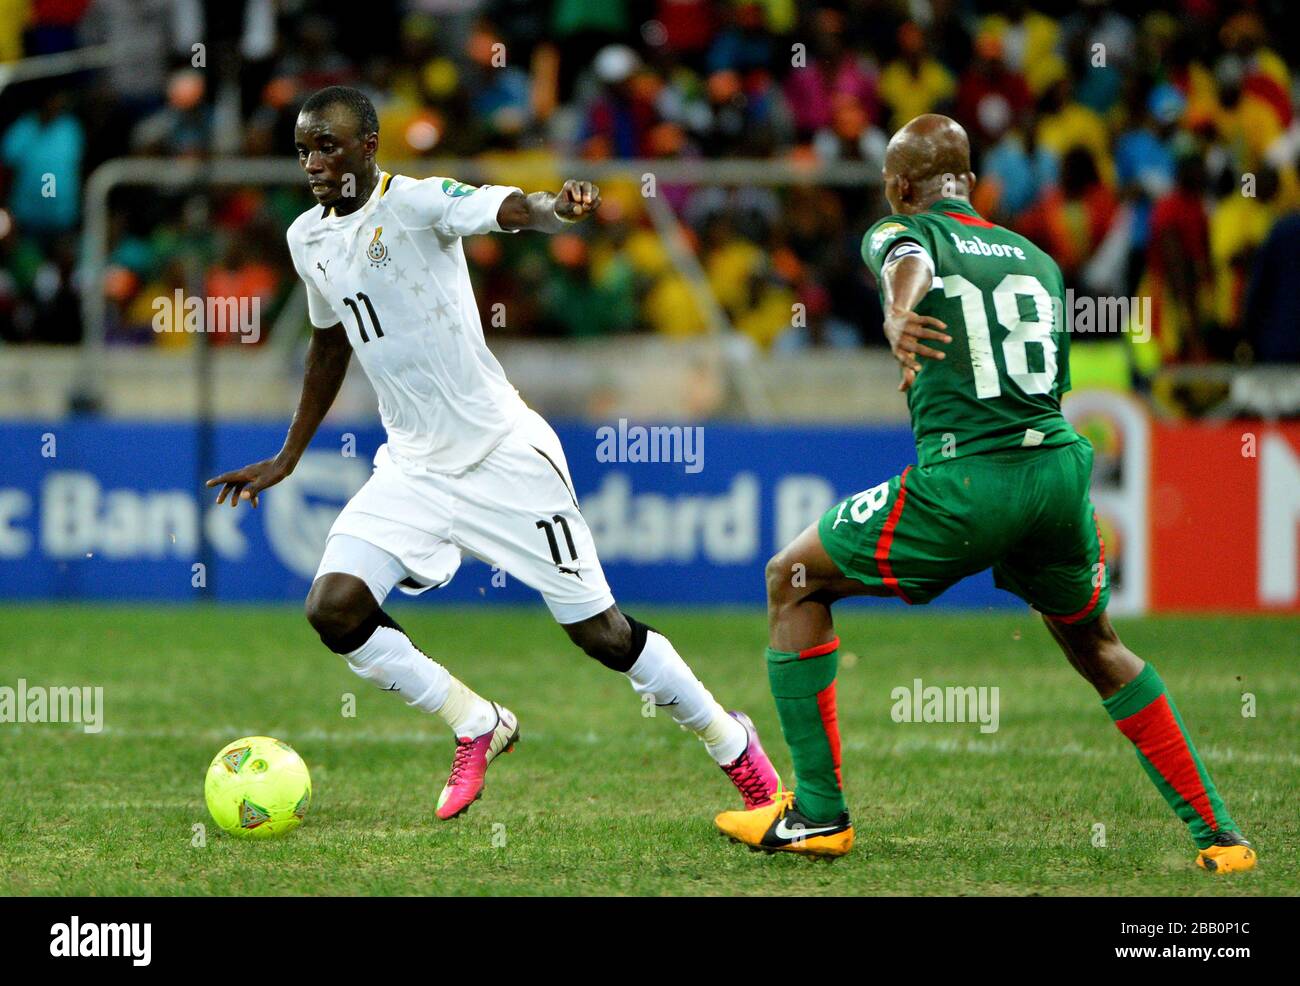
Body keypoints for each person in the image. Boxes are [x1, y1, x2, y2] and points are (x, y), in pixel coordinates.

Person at [207, 86, 780, 822]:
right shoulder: (305, 239)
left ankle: (735, 746)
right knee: (335, 607)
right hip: (412, 468)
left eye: (328, 146)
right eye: (303, 149)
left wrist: (553, 210)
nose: (313, 162)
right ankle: (477, 722)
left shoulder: (414, 203)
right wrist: (288, 457)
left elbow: (501, 206)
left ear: (369, 147)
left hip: (502, 454)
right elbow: (329, 343)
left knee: (601, 635)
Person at [714, 114, 1255, 875]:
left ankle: (817, 816)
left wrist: (897, 310)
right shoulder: (1038, 259)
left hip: (968, 480)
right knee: (1098, 646)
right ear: (969, 181)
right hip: (1060, 471)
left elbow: (909, 262)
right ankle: (1222, 838)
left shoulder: (905, 231)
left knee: (791, 578)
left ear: (903, 187)